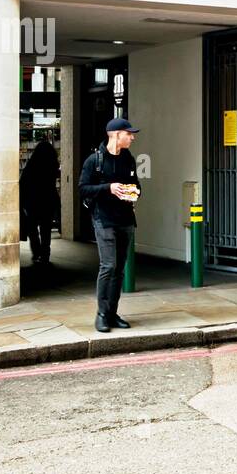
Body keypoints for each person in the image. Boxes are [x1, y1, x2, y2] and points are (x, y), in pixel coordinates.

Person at [80, 118, 141, 332]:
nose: (132, 137)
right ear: (115, 135)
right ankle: (102, 314)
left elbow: (137, 187)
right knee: (108, 266)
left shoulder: (128, 159)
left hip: (125, 220)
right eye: (128, 134)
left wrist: (133, 193)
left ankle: (112, 313)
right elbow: (83, 188)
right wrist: (109, 188)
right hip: (103, 219)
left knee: (119, 270)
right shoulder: (94, 161)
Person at [19, 138, 59, 266]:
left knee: (32, 229)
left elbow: (23, 183)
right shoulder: (52, 166)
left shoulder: (31, 166)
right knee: (46, 230)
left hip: (33, 202)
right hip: (48, 202)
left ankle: (37, 252)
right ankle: (45, 254)